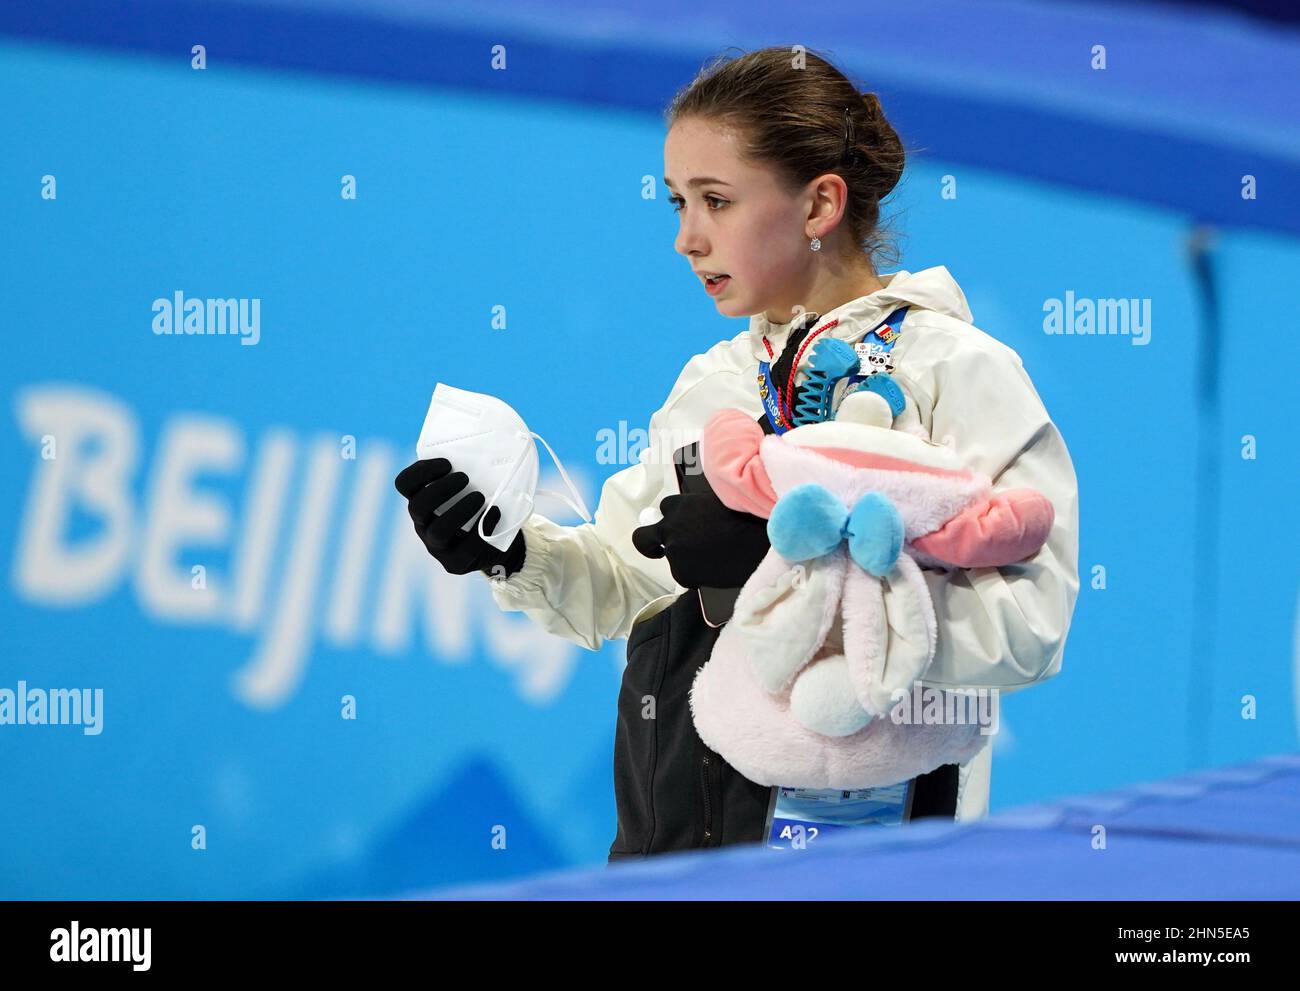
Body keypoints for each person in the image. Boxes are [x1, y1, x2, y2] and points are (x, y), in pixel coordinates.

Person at [394, 47, 1080, 862]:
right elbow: (621, 585)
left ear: (821, 203)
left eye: (716, 201)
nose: (687, 238)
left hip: (869, 852)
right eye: (677, 202)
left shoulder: (958, 372)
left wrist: (785, 567)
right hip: (673, 845)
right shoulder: (713, 382)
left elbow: (1032, 628)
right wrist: (509, 549)